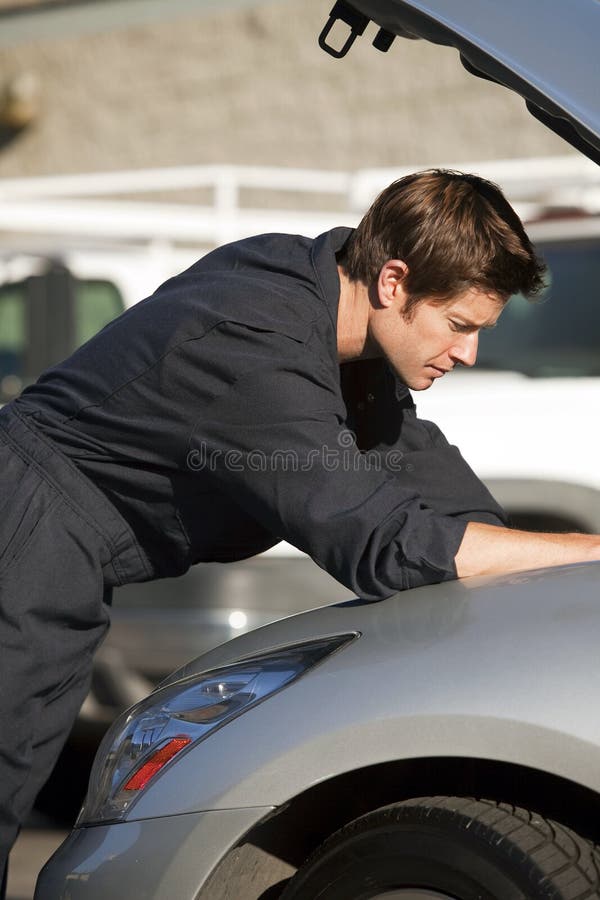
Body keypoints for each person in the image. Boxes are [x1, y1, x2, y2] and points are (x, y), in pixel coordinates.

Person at [1, 168, 599, 890]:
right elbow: (382, 545)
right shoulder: (254, 341)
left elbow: (420, 472)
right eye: (459, 326)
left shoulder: (339, 311)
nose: (468, 353)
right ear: (394, 283)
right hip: (25, 527)